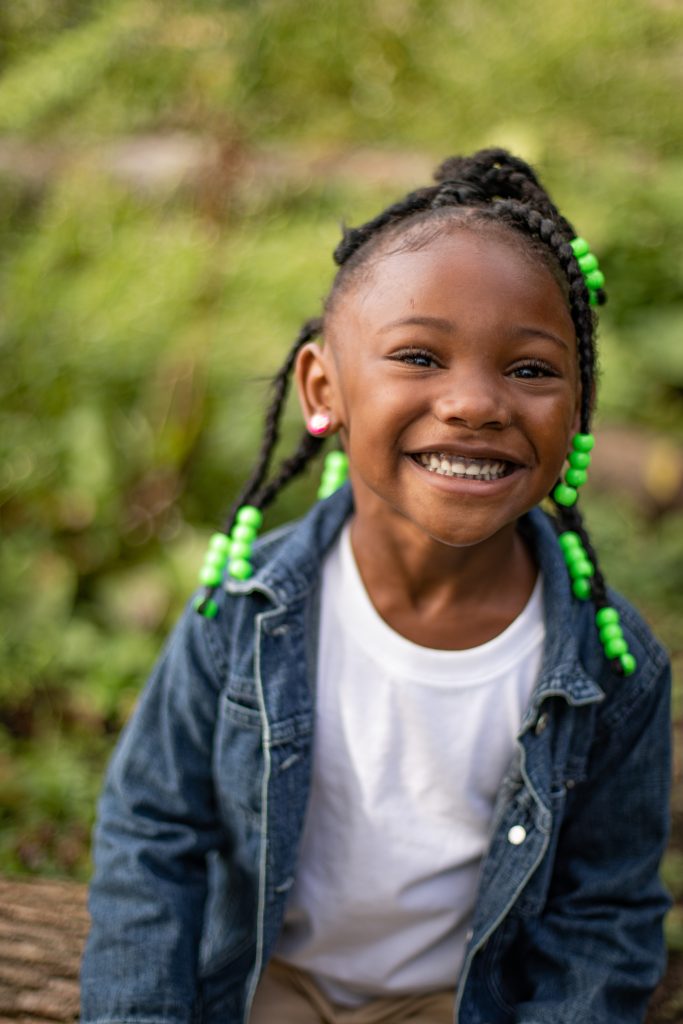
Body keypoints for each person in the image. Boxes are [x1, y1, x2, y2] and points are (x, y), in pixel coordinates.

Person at [80, 148, 671, 1024]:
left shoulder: (612, 668)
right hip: (260, 991)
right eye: (419, 357)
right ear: (324, 388)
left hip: (456, 1005)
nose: (474, 402)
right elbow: (152, 836)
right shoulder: (241, 614)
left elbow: (603, 917)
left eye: (531, 369)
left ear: (578, 407)